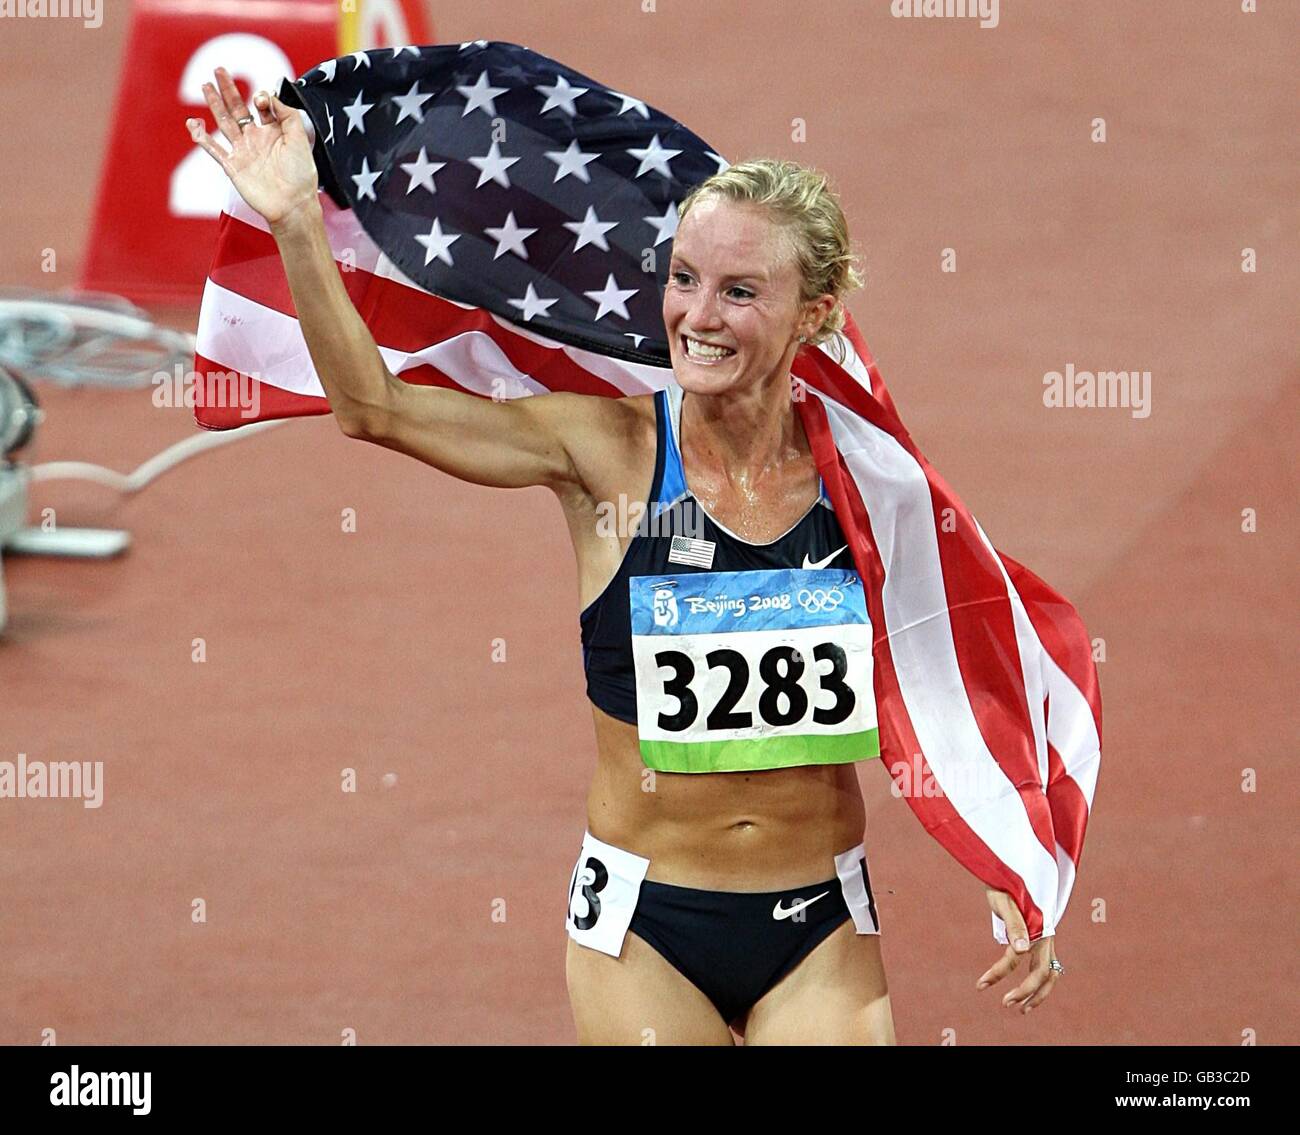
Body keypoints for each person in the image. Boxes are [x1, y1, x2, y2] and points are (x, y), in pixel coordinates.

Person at [186, 66, 1063, 1045]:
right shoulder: (608, 455)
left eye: (741, 292)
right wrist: (298, 217)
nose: (698, 315)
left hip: (817, 923)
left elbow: (961, 668)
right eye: (685, 280)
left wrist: (1014, 859)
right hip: (644, 926)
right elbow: (372, 408)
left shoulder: (869, 484)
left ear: (813, 314)